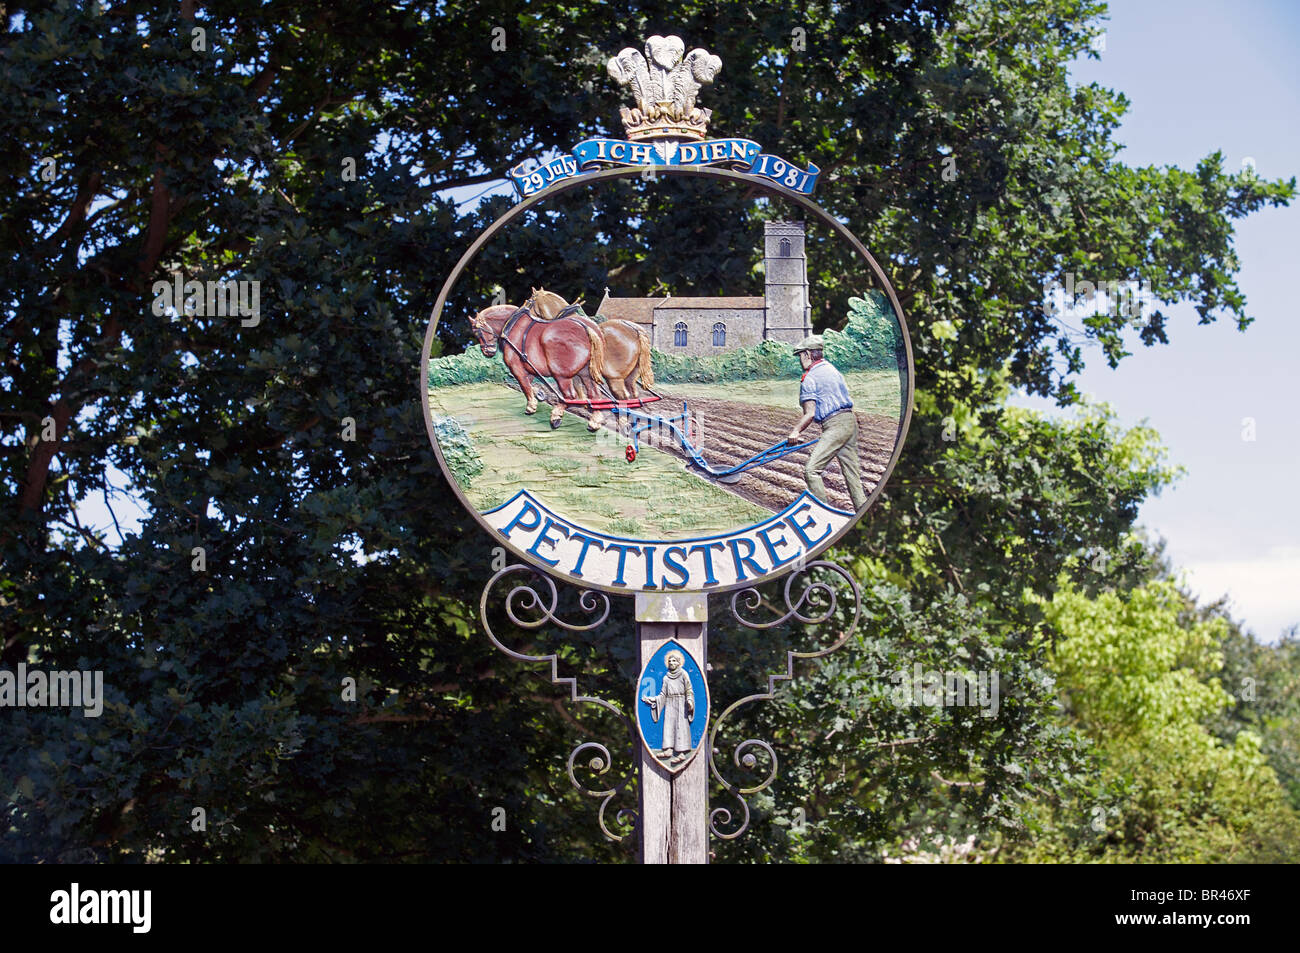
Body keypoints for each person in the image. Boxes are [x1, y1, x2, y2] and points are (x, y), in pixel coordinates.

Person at [788, 335, 867, 510]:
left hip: (835, 425)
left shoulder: (810, 378)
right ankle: (863, 510)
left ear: (807, 354)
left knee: (811, 470)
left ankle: (823, 510)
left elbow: (810, 414)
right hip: (850, 421)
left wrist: (795, 432)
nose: (800, 360)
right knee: (852, 474)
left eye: (800, 355)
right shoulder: (832, 369)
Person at [641, 651, 695, 765]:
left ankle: (681, 753)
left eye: (674, 660)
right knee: (669, 726)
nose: (671, 662)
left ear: (679, 662)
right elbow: (663, 694)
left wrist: (689, 701)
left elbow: (689, 689)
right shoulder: (666, 678)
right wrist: (652, 700)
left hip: (681, 703)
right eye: (670, 660)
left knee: (680, 727)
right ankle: (668, 750)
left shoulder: (684, 674)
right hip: (670, 703)